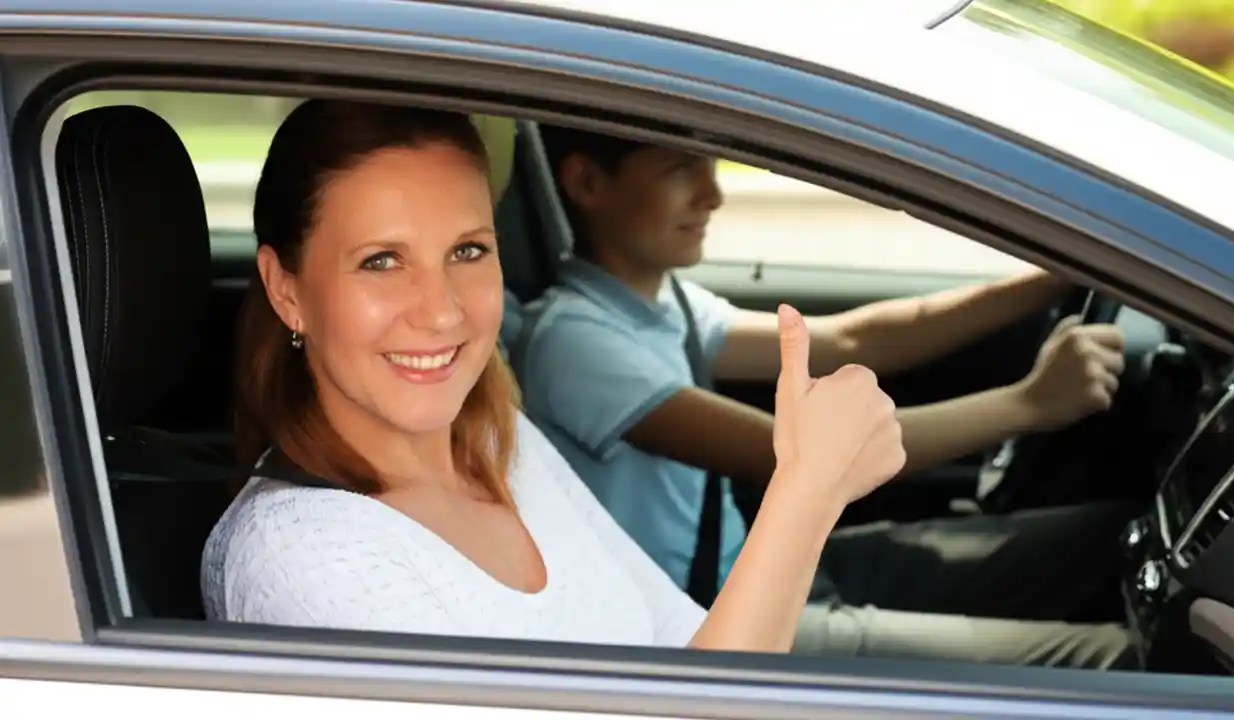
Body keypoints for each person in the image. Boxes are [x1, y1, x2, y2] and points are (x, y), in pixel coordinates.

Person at [200, 99, 907, 655]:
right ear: (286, 289)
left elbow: (694, 655)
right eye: (382, 261)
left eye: (468, 250)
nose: (442, 311)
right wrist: (808, 492)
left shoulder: (502, 447)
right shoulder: (301, 558)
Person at [509, 126, 1134, 667]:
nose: (713, 194)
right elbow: (794, 459)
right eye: (679, 168)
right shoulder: (575, 342)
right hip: (713, 622)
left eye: (710, 165)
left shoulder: (662, 303)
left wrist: (1056, 275)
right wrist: (1028, 405)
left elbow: (856, 339)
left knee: (1116, 538)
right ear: (588, 183)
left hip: (761, 564)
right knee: (1111, 659)